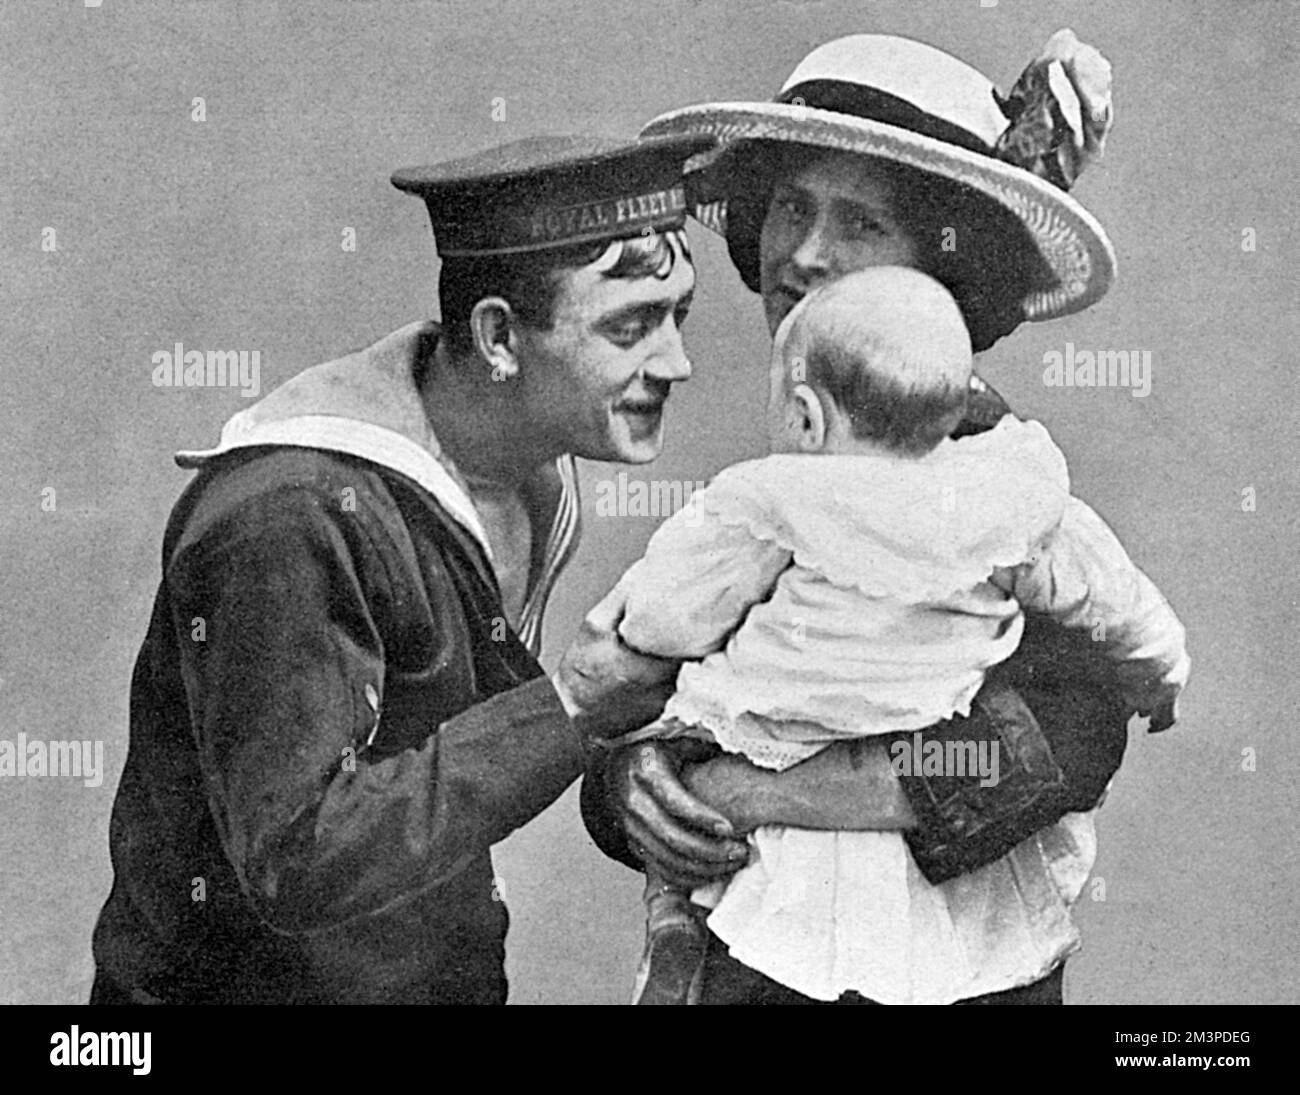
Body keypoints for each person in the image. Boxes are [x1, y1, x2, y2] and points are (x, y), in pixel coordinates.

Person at [565, 31, 1152, 1004]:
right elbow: (642, 692)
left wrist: (744, 791)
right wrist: (628, 790)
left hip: (940, 977)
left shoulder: (999, 492)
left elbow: (1047, 744)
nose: (804, 255)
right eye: (790, 208)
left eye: (861, 225)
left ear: (943, 269)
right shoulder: (792, 471)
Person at [88, 132, 710, 1004]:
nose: (675, 363)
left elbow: (445, 749)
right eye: (631, 326)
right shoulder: (288, 515)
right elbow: (299, 856)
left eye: (679, 313)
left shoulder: (527, 468)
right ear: (498, 336)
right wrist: (573, 707)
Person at [604, 268, 1189, 1004]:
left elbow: (669, 616)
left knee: (690, 740)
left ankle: (672, 918)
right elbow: (1120, 601)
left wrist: (648, 636)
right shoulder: (1010, 494)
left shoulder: (773, 497)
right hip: (946, 815)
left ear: (809, 417)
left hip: (780, 746)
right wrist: (1162, 675)